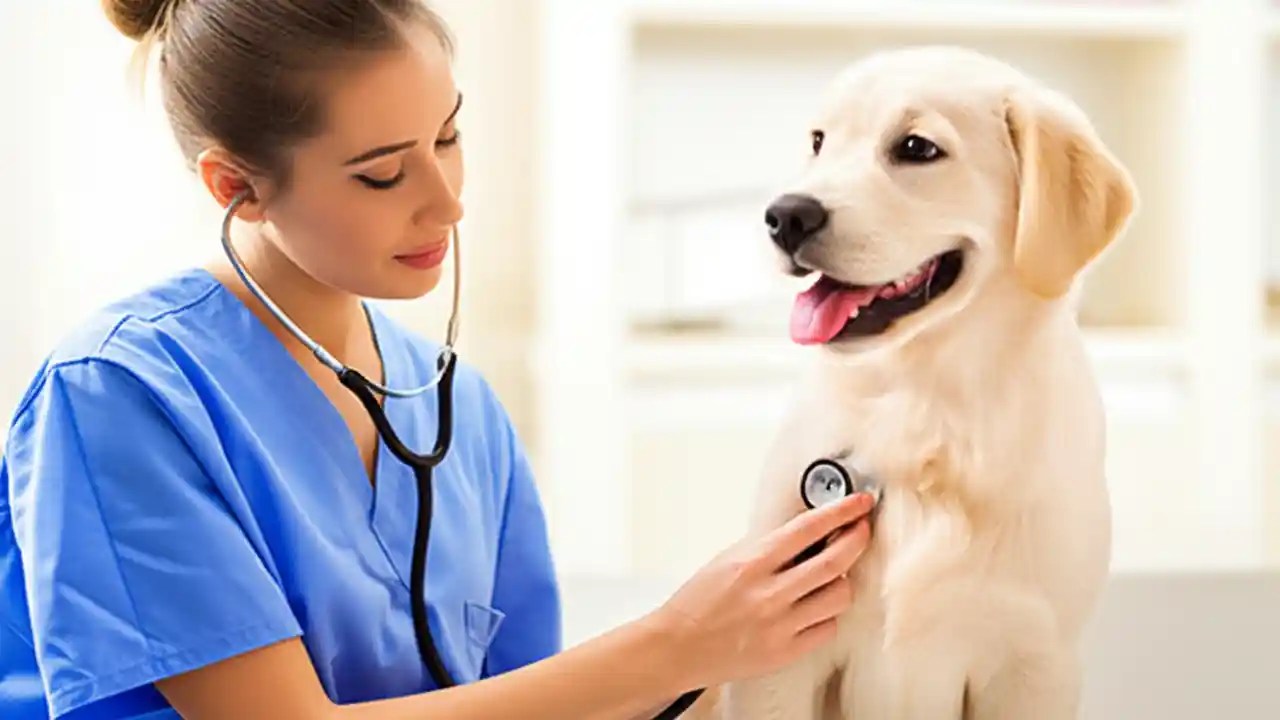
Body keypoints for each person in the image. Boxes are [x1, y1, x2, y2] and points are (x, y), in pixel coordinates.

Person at [0, 1, 877, 718]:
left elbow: (533, 705)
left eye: (448, 139)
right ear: (238, 188)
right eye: (383, 174)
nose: (448, 203)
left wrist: (735, 652)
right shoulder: (120, 397)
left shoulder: (455, 405)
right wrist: (676, 643)